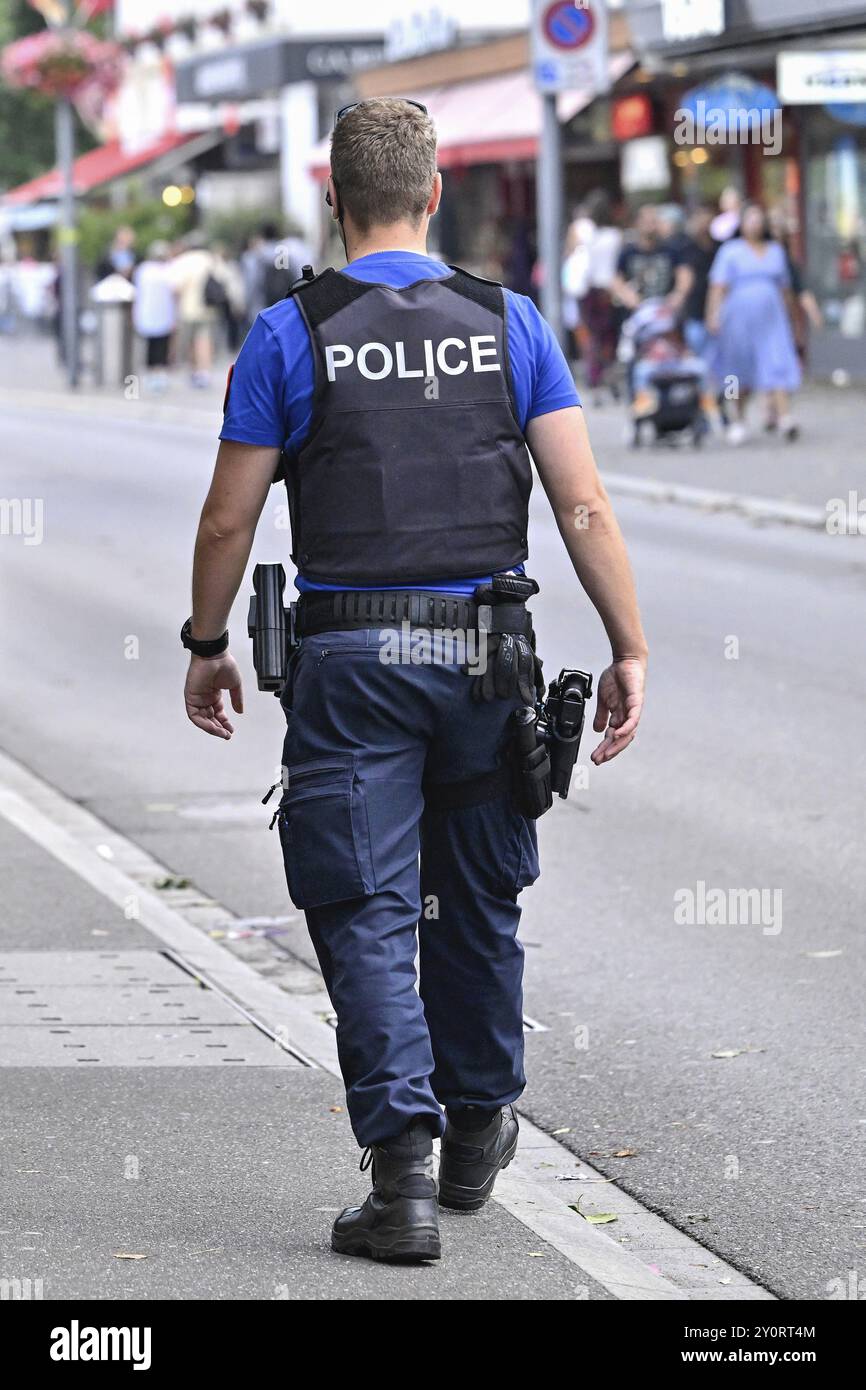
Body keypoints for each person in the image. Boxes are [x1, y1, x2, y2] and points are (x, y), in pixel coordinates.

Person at [181, 97, 647, 1265]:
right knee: (477, 900)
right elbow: (580, 502)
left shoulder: (291, 333)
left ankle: (401, 1185)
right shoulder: (509, 323)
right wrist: (628, 644)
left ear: (331, 198)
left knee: (368, 910)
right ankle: (479, 1123)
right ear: (433, 194)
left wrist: (204, 642)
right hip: (484, 660)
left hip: (347, 663)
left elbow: (229, 513)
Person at [705, 202, 802, 444]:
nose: (755, 224)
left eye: (760, 219)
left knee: (776, 363)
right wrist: (713, 315)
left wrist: (793, 318)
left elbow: (786, 289)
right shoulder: (730, 251)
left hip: (771, 321)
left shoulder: (776, 251)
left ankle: (784, 417)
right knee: (735, 371)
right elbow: (717, 287)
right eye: (751, 218)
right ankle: (736, 418)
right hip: (737, 321)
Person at [576, 190, 623, 404]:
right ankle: (610, 379)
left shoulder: (588, 236)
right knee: (609, 339)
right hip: (609, 291)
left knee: (593, 338)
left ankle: (595, 382)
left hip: (589, 291)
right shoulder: (615, 237)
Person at [169, 231, 228, 388]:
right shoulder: (212, 260)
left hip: (188, 308)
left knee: (190, 341)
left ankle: (194, 371)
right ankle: (205, 372)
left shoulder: (183, 261)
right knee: (205, 340)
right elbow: (223, 279)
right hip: (208, 306)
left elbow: (175, 287)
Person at [610, 204, 676, 312]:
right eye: (646, 221)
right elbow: (615, 278)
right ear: (638, 223)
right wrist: (626, 294)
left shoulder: (670, 250)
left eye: (653, 221)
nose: (650, 226)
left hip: (663, 311)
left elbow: (683, 274)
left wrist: (678, 295)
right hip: (636, 312)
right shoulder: (628, 252)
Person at [132, 240, 176, 391]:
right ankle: (157, 375)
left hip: (151, 314)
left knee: (153, 346)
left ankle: (154, 375)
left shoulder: (143, 270)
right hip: (161, 314)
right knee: (159, 346)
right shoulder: (167, 270)